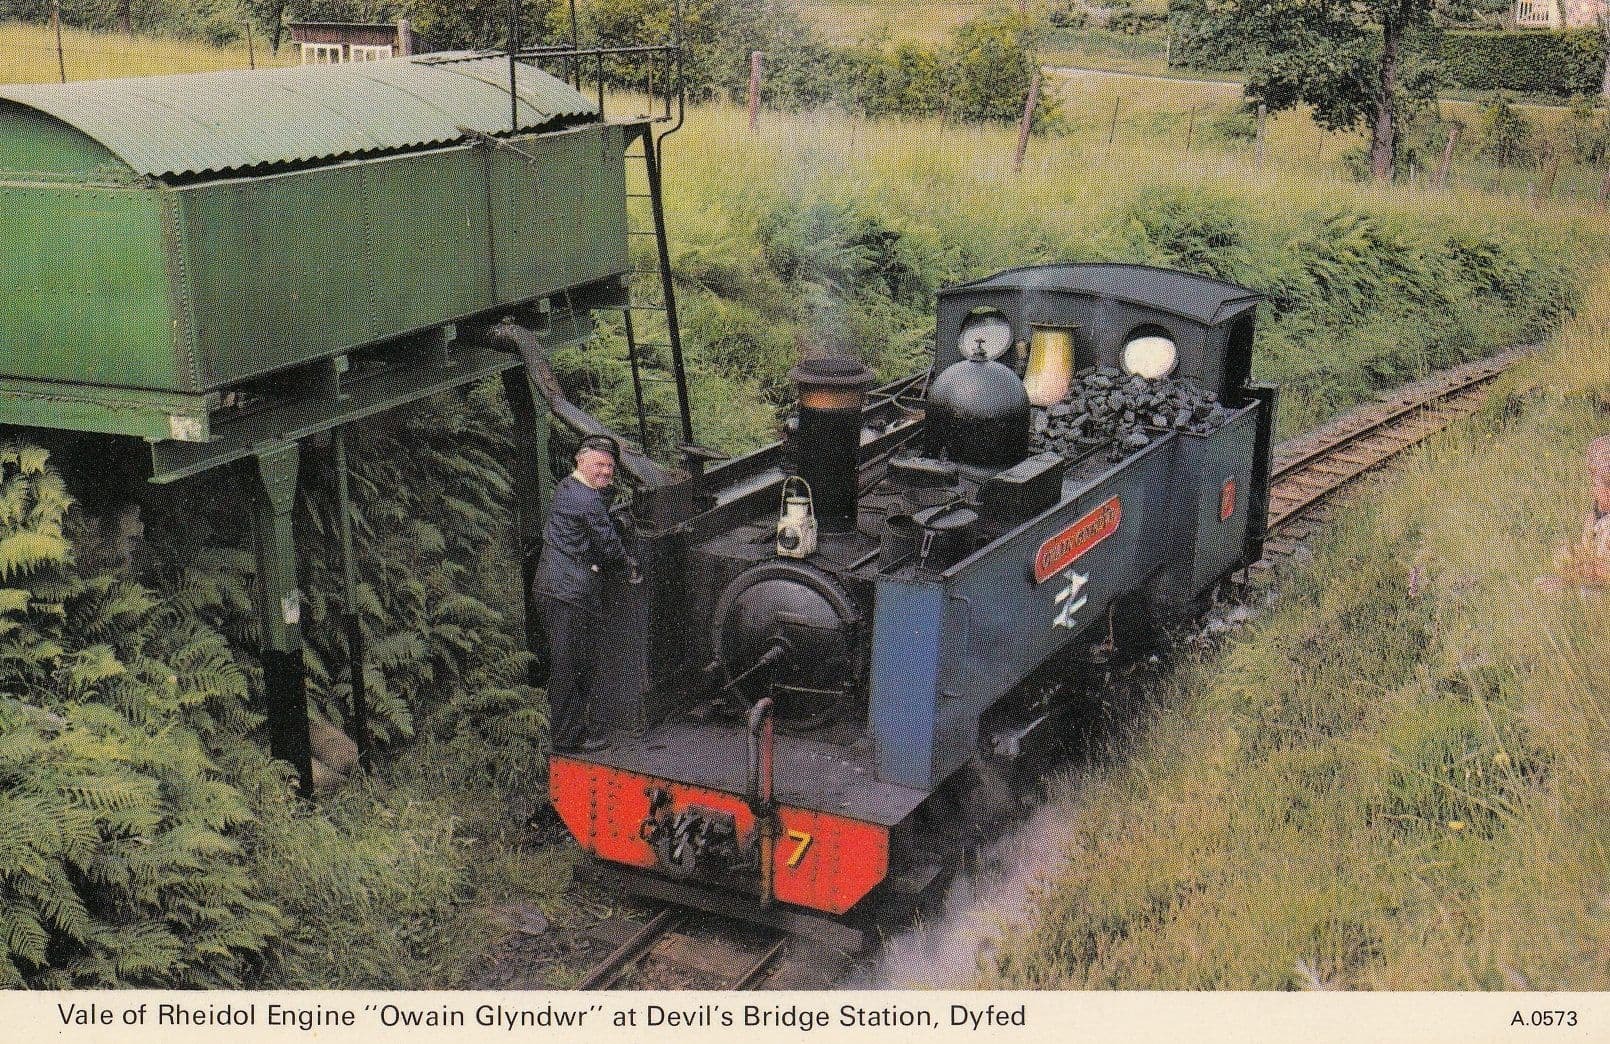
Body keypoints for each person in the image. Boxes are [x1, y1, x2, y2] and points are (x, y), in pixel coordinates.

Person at [534, 435, 639, 752]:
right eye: (600, 464)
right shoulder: (587, 501)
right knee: (570, 665)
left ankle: (571, 729)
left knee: (566, 662)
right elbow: (608, 547)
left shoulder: (568, 487)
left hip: (552, 586)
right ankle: (568, 738)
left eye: (610, 466)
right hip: (569, 594)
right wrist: (630, 566)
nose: (606, 472)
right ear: (581, 460)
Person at [1536, 435, 1610, 593]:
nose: (1592, 490)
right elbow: (1587, 549)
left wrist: (1569, 581)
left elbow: (1604, 570)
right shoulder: (1596, 514)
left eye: (1595, 484)